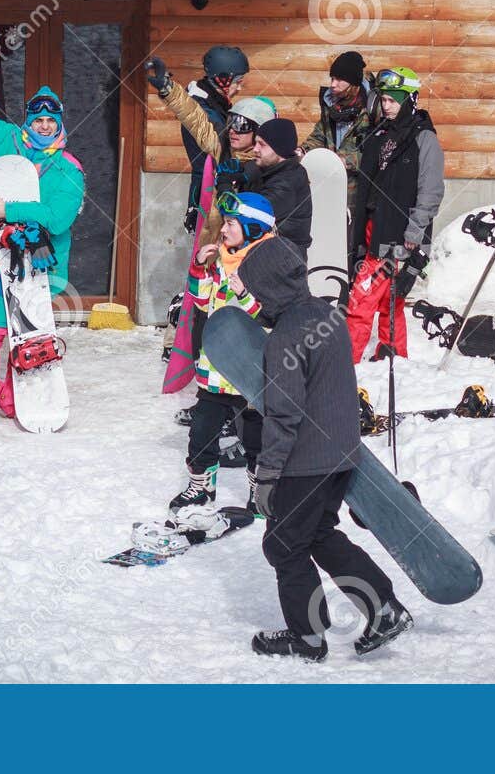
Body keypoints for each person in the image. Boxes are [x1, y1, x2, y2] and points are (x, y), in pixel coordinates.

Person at [238, 236, 410, 662]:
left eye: (258, 291)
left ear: (272, 286)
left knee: (282, 544)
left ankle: (307, 637)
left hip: (306, 461)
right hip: (340, 456)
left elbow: (284, 413)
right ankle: (383, 609)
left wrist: (268, 473)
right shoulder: (327, 317)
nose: (256, 301)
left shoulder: (284, 338)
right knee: (319, 535)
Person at [0, 32, 85, 427]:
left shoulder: (69, 168)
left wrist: (9, 208)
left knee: (28, 339)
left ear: (58, 123)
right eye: (38, 119)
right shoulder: (4, 139)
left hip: (38, 267)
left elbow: (57, 217)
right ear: (28, 120)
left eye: (50, 120)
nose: (43, 126)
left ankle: (16, 399)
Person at [169, 192, 275, 513]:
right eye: (225, 223)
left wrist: (244, 294)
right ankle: (201, 488)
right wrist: (200, 268)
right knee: (202, 433)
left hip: (250, 375)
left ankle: (261, 494)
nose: (224, 230)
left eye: (231, 223)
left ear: (253, 228)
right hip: (216, 372)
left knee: (256, 440)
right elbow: (203, 303)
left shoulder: (268, 265)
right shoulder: (222, 260)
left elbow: (269, 317)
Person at [346, 67, 443, 361]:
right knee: (391, 299)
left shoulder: (424, 139)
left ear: (410, 99)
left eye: (392, 100)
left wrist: (414, 235)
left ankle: (343, 362)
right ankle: (392, 353)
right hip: (372, 227)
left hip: (399, 235)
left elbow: (431, 192)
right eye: (383, 99)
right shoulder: (380, 134)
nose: (386, 106)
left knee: (360, 299)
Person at [158, 45, 249, 234]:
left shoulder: (213, 102)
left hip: (215, 189)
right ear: (222, 79)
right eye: (238, 81)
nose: (240, 87)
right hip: (209, 196)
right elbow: (215, 142)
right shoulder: (204, 108)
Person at [299, 50, 377, 174]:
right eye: (332, 78)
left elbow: (376, 150)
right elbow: (320, 136)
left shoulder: (372, 107)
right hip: (333, 181)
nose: (333, 84)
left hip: (360, 185)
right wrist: (303, 150)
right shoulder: (330, 105)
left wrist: (346, 161)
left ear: (353, 83)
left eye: (339, 79)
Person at [251, 117, 312, 252]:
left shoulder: (287, 183)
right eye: (255, 143)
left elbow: (249, 217)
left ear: (279, 148)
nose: (255, 149)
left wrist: (224, 184)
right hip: (273, 254)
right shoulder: (274, 171)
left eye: (262, 144)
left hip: (284, 264)